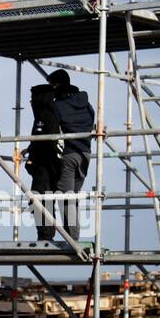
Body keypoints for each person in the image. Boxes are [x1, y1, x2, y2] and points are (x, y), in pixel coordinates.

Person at [48, 69, 95, 241]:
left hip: (69, 153)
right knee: (73, 196)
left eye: (51, 85)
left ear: (57, 84)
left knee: (66, 196)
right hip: (85, 152)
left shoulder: (59, 105)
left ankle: (72, 238)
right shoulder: (85, 102)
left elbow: (55, 123)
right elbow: (91, 118)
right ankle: (73, 235)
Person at [26, 82, 63, 241]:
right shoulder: (57, 113)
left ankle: (45, 234)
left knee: (38, 199)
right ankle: (48, 234)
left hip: (44, 166)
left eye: (33, 98)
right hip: (55, 164)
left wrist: (31, 161)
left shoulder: (42, 116)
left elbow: (40, 142)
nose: (31, 102)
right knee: (48, 199)